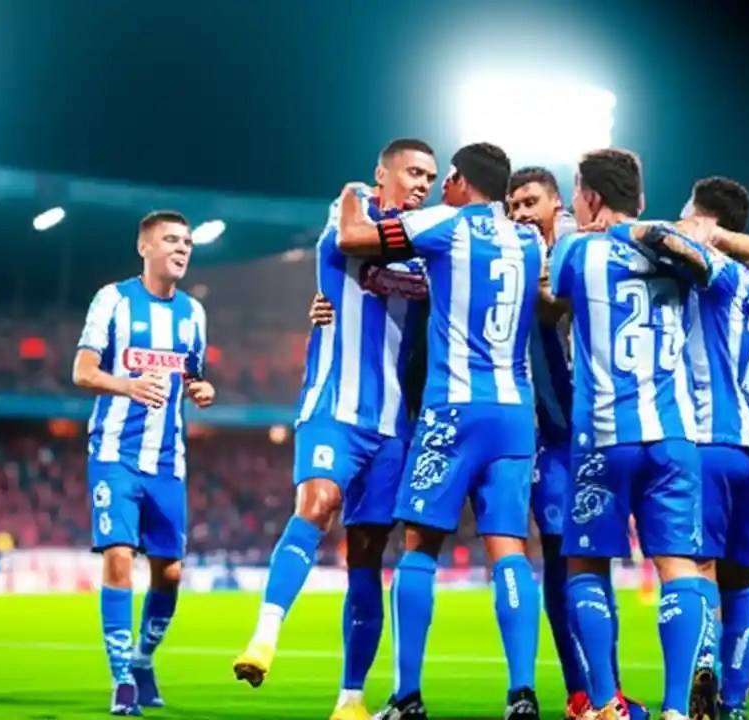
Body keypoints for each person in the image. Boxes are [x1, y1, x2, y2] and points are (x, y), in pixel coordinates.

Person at [335, 142, 544, 720]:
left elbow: (355, 238)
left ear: (458, 180)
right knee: (509, 551)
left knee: (419, 548)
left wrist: (355, 195)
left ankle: (406, 697)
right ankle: (522, 693)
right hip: (514, 415)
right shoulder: (529, 240)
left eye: (445, 178)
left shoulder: (446, 223)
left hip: (454, 408)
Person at [233, 139, 438, 720]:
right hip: (334, 405)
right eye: (411, 172)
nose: (421, 182)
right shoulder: (354, 202)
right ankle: (265, 636)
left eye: (430, 174)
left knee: (368, 554)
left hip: (394, 422)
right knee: (317, 501)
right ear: (383, 173)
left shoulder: (430, 243)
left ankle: (351, 698)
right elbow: (346, 239)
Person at [550, 148, 719, 720]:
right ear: (641, 199)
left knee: (586, 567)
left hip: (604, 435)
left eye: (577, 193)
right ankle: (675, 710)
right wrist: (661, 230)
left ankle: (605, 705)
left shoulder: (578, 250)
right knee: (678, 568)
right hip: (674, 436)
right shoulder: (679, 253)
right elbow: (711, 264)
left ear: (591, 198)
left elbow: (555, 296)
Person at [72, 210, 215, 716]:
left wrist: (201, 389)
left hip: (166, 462)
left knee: (170, 573)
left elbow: (193, 373)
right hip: (114, 454)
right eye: (172, 240)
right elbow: (83, 371)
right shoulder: (113, 300)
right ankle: (120, 683)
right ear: (145, 247)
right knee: (117, 557)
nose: (182, 248)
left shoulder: (194, 314)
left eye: (188, 242)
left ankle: (142, 659)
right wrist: (127, 385)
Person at [680, 177, 749, 720]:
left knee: (695, 571)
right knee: (742, 581)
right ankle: (735, 702)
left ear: (704, 217)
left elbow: (670, 244)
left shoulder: (710, 270)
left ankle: (703, 665)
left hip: (707, 438)